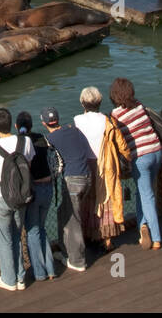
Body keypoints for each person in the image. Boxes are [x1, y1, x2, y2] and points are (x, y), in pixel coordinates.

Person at [0, 107, 34, 291]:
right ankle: (21, 278)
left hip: (1, 197)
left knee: (3, 239)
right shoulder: (25, 141)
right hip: (22, 195)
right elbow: (29, 163)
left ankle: (9, 279)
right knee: (17, 235)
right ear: (12, 124)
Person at [110, 77, 162, 250]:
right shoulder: (140, 106)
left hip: (141, 157)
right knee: (143, 193)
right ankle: (143, 227)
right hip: (156, 151)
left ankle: (156, 238)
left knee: (147, 195)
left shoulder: (116, 116)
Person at [73, 86, 128, 250]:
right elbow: (122, 145)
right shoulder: (108, 120)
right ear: (100, 102)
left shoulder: (77, 120)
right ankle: (108, 239)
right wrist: (128, 159)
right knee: (107, 199)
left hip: (85, 165)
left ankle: (87, 233)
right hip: (107, 164)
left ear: (83, 103)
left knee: (87, 200)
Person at [41, 107, 94, 272]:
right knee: (64, 214)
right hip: (87, 176)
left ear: (44, 123)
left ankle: (77, 261)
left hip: (72, 180)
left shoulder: (49, 139)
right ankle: (67, 252)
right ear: (58, 119)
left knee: (73, 220)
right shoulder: (74, 129)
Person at [15, 111, 55, 283]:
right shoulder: (41, 138)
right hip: (48, 188)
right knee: (42, 228)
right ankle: (51, 269)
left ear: (16, 126)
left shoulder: (20, 143)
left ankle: (40, 273)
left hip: (34, 190)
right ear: (32, 125)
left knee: (32, 231)